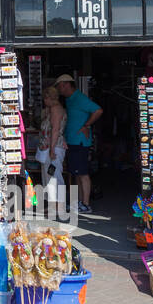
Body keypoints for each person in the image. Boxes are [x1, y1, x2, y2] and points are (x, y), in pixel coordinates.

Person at [56, 74, 102, 215]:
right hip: (72, 141)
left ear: (67, 85)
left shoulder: (79, 98)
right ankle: (80, 202)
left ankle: (86, 204)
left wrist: (86, 125)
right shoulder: (70, 99)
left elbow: (98, 110)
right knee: (77, 173)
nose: (59, 89)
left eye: (60, 86)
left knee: (83, 173)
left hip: (80, 141)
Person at [37, 85, 68, 205]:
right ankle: (53, 204)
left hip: (54, 146)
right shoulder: (53, 109)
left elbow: (55, 129)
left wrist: (52, 149)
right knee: (50, 174)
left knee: (53, 174)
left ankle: (58, 204)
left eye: (45, 99)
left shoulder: (55, 109)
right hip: (52, 145)